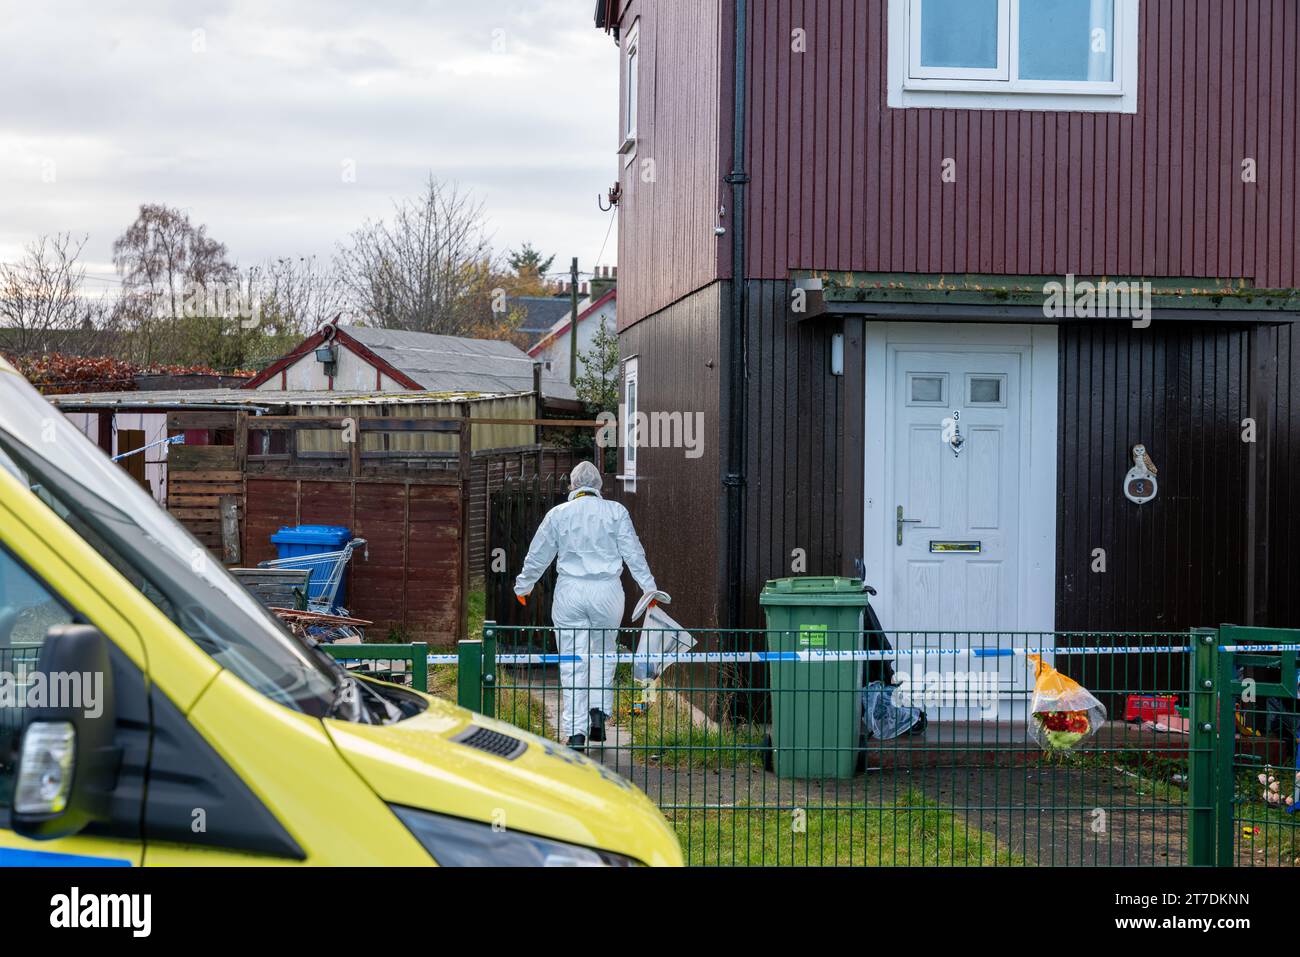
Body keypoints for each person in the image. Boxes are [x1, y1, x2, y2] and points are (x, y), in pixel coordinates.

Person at [514, 461, 664, 750]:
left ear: (572, 485)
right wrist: (649, 587)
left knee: (573, 661)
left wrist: (524, 585)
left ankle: (575, 733)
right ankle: (598, 716)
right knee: (603, 655)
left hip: (570, 590)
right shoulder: (616, 512)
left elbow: (538, 553)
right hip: (608, 591)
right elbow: (634, 552)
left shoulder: (558, 514)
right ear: (599, 486)